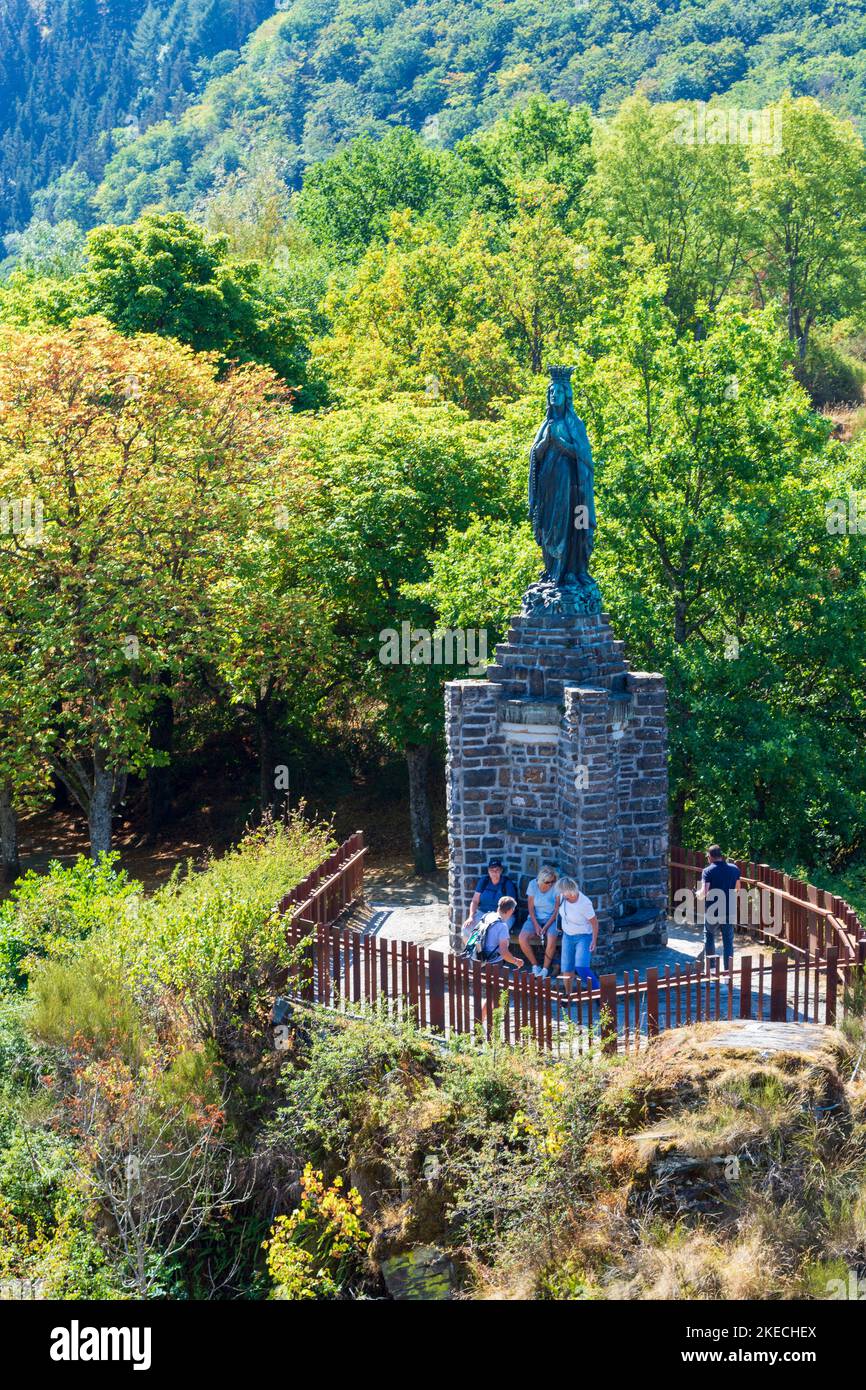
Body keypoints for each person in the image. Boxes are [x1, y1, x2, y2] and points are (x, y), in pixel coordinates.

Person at [697, 844, 742, 969]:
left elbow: (704, 892)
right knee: (728, 942)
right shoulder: (734, 869)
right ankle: (728, 972)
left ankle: (711, 969)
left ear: (710, 857)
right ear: (721, 856)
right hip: (729, 909)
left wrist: (697, 894)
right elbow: (738, 889)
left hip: (712, 910)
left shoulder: (707, 871)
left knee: (710, 937)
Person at [556, 876, 600, 994]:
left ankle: (598, 992)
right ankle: (568, 995)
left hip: (583, 936)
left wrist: (594, 941)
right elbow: (558, 911)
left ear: (569, 891)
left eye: (563, 891)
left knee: (581, 968)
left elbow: (595, 923)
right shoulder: (561, 897)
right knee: (567, 969)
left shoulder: (584, 903)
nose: (561, 893)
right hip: (567, 936)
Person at [518, 865, 561, 977]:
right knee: (522, 938)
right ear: (541, 880)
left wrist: (546, 927)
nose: (551, 884)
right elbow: (531, 908)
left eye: (553, 881)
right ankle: (535, 965)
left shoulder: (556, 887)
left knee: (551, 938)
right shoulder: (533, 884)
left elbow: (556, 910)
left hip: (551, 919)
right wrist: (536, 925)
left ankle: (545, 969)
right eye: (548, 882)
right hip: (535, 918)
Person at [462, 858, 518, 936]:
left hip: (502, 915)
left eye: (497, 870)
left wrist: (497, 918)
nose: (494, 872)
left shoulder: (507, 884)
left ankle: (489, 948)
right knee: (466, 929)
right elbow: (475, 900)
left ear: (501, 871)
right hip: (482, 913)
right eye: (492, 870)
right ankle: (474, 948)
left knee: (492, 934)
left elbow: (511, 906)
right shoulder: (484, 881)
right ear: (488, 871)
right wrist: (470, 917)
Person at [464, 896, 523, 968]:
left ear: (498, 907)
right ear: (511, 910)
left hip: (477, 957)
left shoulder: (487, 915)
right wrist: (516, 961)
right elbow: (504, 952)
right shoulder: (502, 926)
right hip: (493, 964)